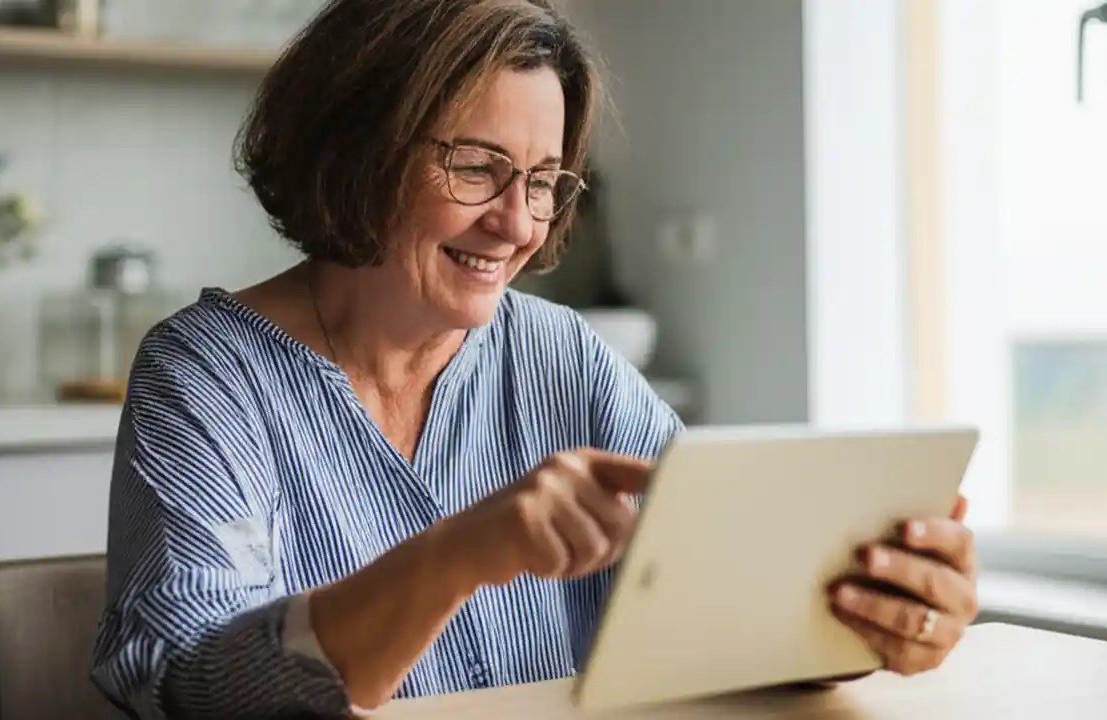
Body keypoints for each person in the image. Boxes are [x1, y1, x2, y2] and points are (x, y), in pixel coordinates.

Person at [90, 0, 980, 717]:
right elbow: (188, 687)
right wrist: (454, 555)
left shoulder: (561, 354)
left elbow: (714, 604)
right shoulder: (205, 372)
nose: (518, 223)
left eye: (545, 181)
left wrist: (866, 616)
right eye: (476, 167)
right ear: (357, 149)